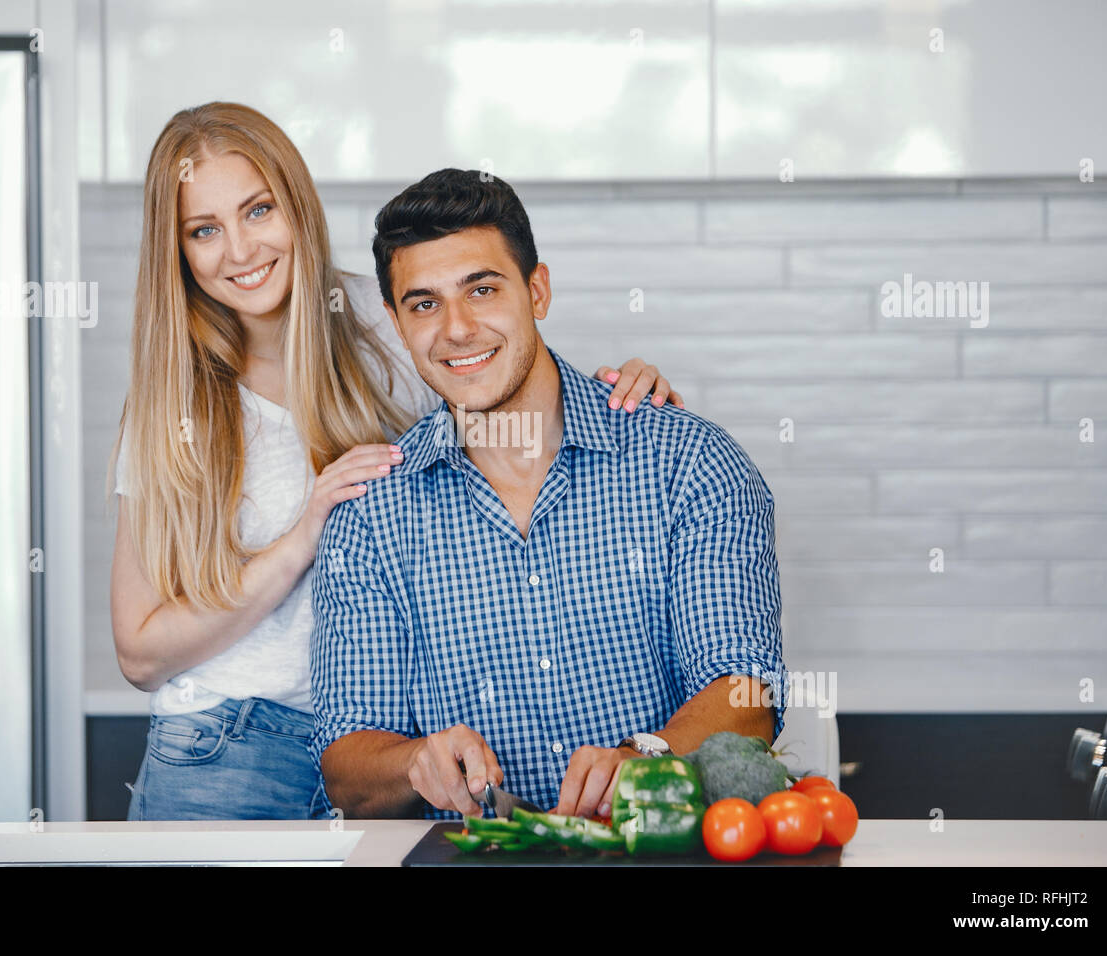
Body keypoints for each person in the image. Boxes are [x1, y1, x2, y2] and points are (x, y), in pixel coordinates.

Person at [108, 102, 686, 820]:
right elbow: (139, 652)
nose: (240, 250)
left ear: (296, 204)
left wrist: (618, 393)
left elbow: (496, 382)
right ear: (179, 250)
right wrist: (301, 540)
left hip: (386, 757)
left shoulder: (381, 321)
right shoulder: (169, 399)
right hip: (230, 752)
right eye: (204, 230)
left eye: (258, 211)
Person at [310, 168, 789, 821]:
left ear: (537, 290)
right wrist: (411, 760)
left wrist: (646, 755)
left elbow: (745, 695)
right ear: (396, 322)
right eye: (424, 303)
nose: (456, 329)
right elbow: (347, 768)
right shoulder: (371, 514)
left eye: (482, 289)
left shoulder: (691, 464)